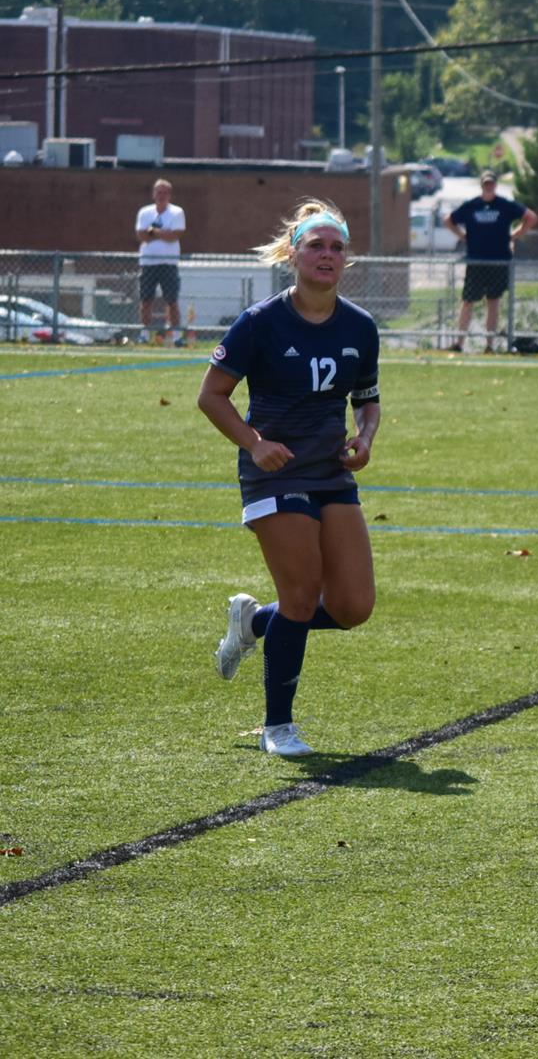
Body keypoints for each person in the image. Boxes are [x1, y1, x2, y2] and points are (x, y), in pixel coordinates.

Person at [197, 201, 380, 760]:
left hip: (329, 474)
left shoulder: (360, 326)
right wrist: (255, 443)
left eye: (337, 247)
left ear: (347, 259)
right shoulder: (260, 322)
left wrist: (364, 439)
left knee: (352, 606)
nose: (327, 255)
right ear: (294, 254)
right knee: (300, 597)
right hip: (273, 475)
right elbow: (211, 396)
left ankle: (254, 622)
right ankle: (278, 727)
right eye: (316, 245)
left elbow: (367, 402)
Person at [447, 171, 537, 353]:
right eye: (485, 184)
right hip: (476, 260)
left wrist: (515, 235)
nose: (488, 187)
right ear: (481, 185)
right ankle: (459, 343)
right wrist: (462, 236)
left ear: (495, 185)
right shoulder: (472, 205)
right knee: (468, 301)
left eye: (491, 184)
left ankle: (489, 345)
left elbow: (530, 217)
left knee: (493, 301)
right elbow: (449, 220)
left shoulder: (504, 205)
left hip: (499, 260)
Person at [134, 177, 188, 345]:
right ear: (153, 193)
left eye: (165, 192)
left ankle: (177, 337)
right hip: (148, 263)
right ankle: (144, 335)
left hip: (168, 263)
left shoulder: (177, 212)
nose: (161, 195)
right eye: (159, 192)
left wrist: (153, 232)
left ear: (169, 194)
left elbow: (175, 236)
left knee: (171, 300)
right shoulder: (145, 212)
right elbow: (141, 235)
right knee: (146, 300)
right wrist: (162, 232)